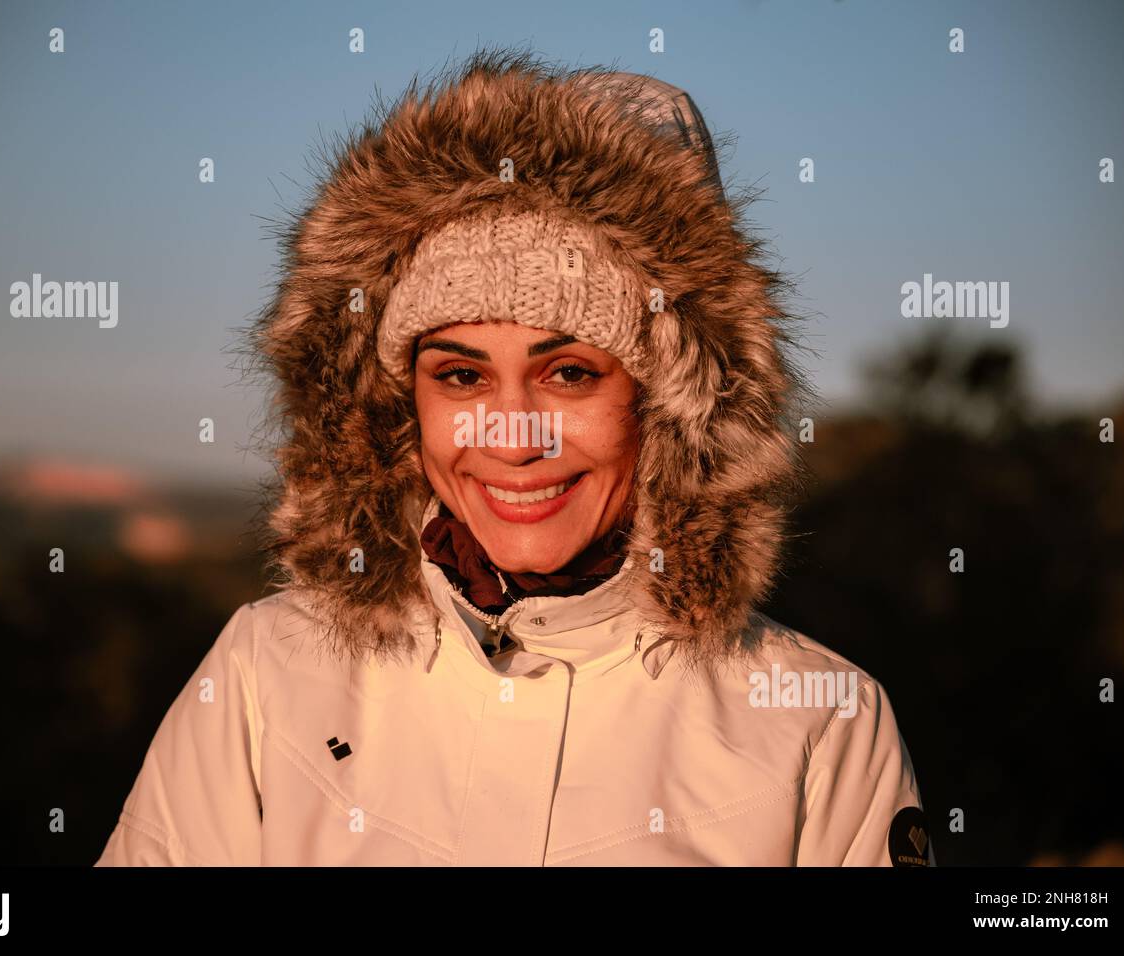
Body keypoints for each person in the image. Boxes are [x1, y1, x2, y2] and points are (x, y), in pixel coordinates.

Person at [95, 48, 935, 867]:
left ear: (673, 407)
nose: (511, 436)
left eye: (569, 373)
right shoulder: (261, 675)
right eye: (460, 375)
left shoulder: (821, 724)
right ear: (399, 408)